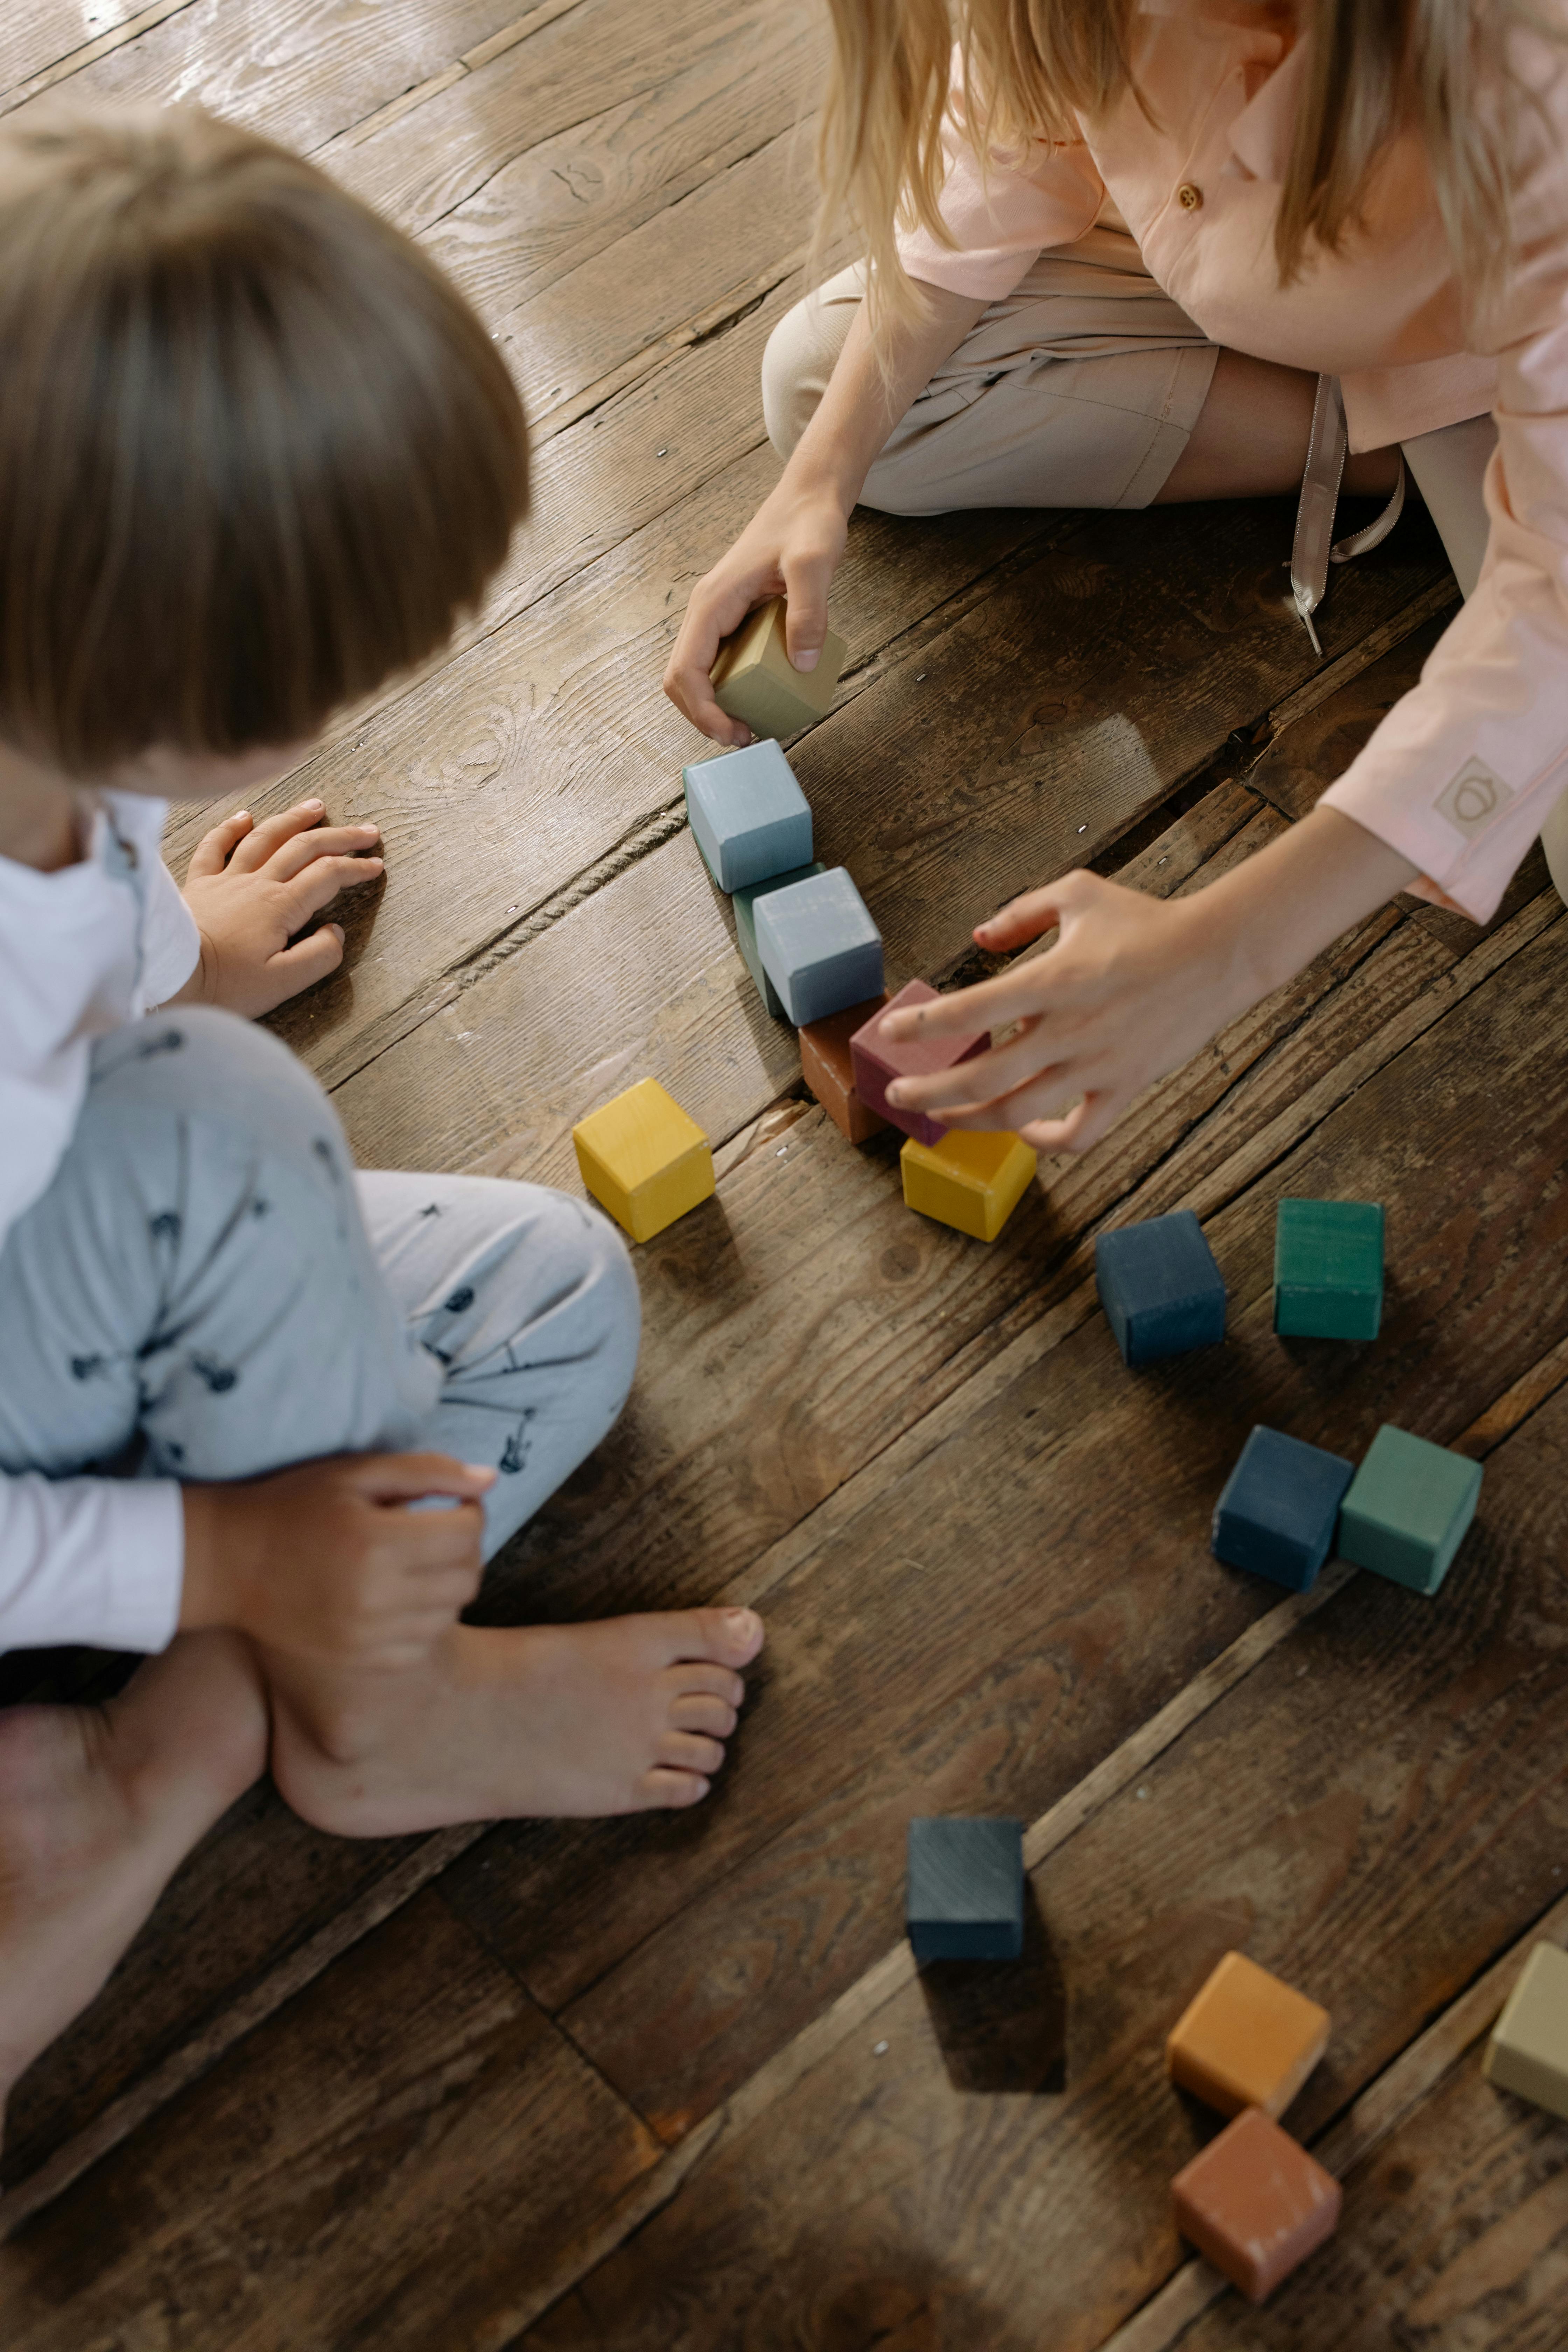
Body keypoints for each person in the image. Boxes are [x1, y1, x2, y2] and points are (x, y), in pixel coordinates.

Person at [0, 107, 762, 2140]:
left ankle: (213, 1696)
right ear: (142, 671)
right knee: (219, 1127)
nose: (351, 706)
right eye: (324, 677)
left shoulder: (42, 672)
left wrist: (161, 946)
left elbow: (78, 893)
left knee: (558, 1295)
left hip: (57, 1306)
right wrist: (223, 1556)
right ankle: (355, 1714)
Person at [664, 0, 1568, 1153]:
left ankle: (1490, 456)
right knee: (820, 391)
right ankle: (1395, 454)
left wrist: (1220, 949)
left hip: (1507, 330)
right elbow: (1004, 146)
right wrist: (815, 486)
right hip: (1289, 288)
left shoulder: (1525, 77)